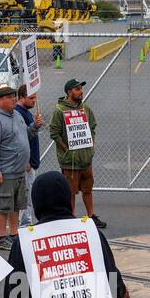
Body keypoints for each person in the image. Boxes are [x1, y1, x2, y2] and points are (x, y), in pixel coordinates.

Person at [49, 78, 104, 228]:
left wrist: (91, 144)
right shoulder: (60, 111)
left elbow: (92, 126)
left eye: (81, 89)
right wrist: (65, 149)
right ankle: (71, 218)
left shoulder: (85, 109)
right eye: (77, 89)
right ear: (69, 92)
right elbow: (54, 133)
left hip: (85, 159)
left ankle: (91, 215)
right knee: (71, 191)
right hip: (70, 161)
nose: (81, 92)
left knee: (88, 189)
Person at [0, 85, 32, 250]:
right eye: (10, 97)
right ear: (0, 100)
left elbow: (24, 134)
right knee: (3, 206)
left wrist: (35, 127)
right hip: (5, 171)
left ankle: (14, 234)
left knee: (16, 205)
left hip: (18, 171)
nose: (14, 100)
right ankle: (1, 238)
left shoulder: (17, 115)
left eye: (14, 97)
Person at [14, 85, 43, 225]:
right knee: (26, 196)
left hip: (31, 162)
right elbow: (20, 139)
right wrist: (25, 160)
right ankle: (24, 225)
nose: (34, 101)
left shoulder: (26, 112)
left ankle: (26, 223)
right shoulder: (18, 114)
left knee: (29, 195)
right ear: (21, 97)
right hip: (26, 163)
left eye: (35, 98)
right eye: (31, 98)